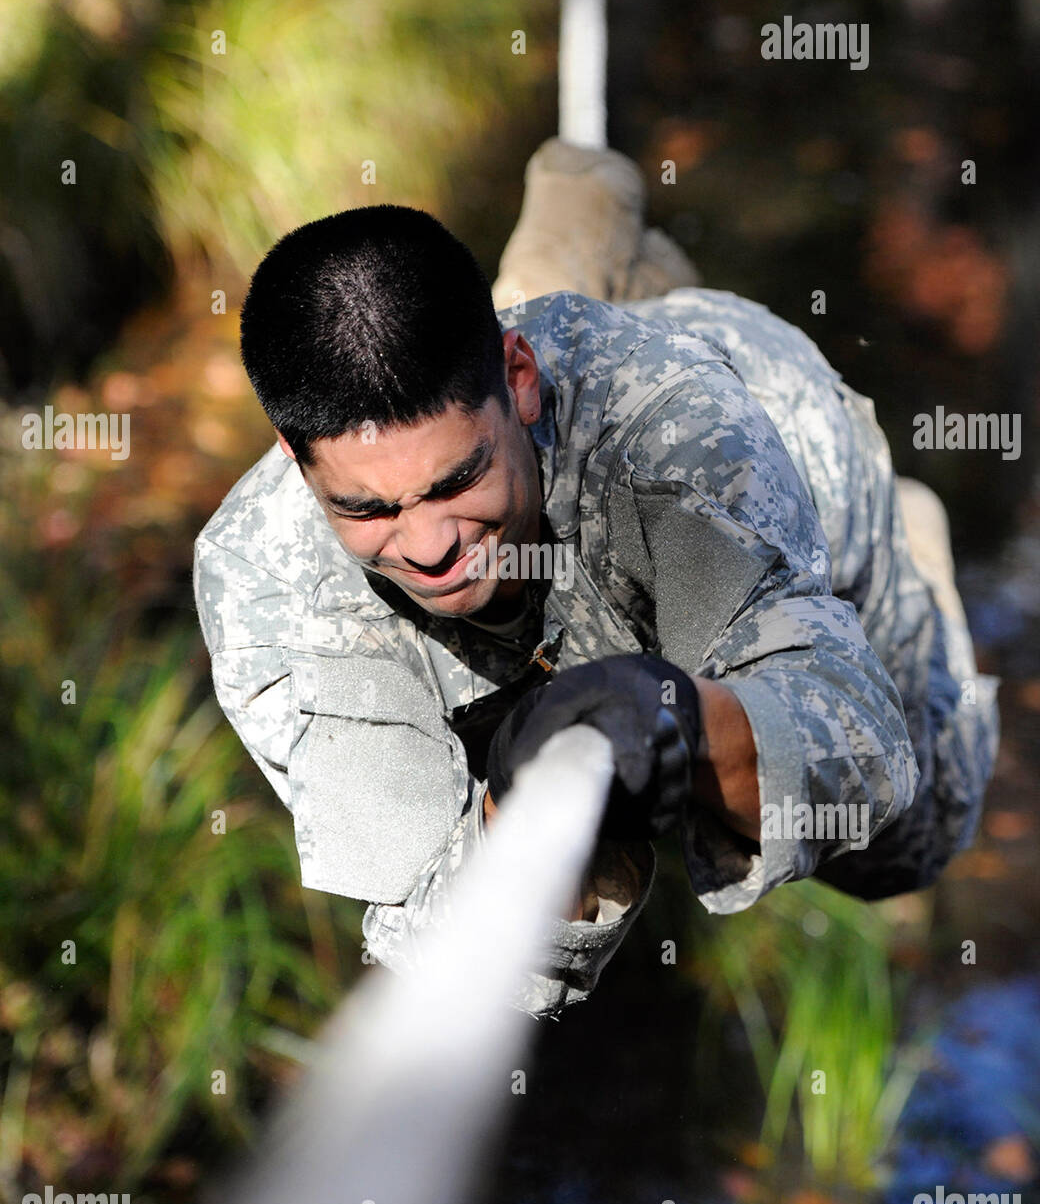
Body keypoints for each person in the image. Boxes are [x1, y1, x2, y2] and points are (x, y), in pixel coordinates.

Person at [193, 139, 1000, 1020]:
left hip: (787, 437)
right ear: (292, 460)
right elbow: (450, 948)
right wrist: (510, 806)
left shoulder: (690, 446)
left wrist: (686, 724)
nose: (428, 546)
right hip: (575, 421)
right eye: (369, 510)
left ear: (518, 378)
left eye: (457, 481)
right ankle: (573, 266)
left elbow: (860, 748)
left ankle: (910, 542)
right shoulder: (262, 583)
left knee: (900, 850)